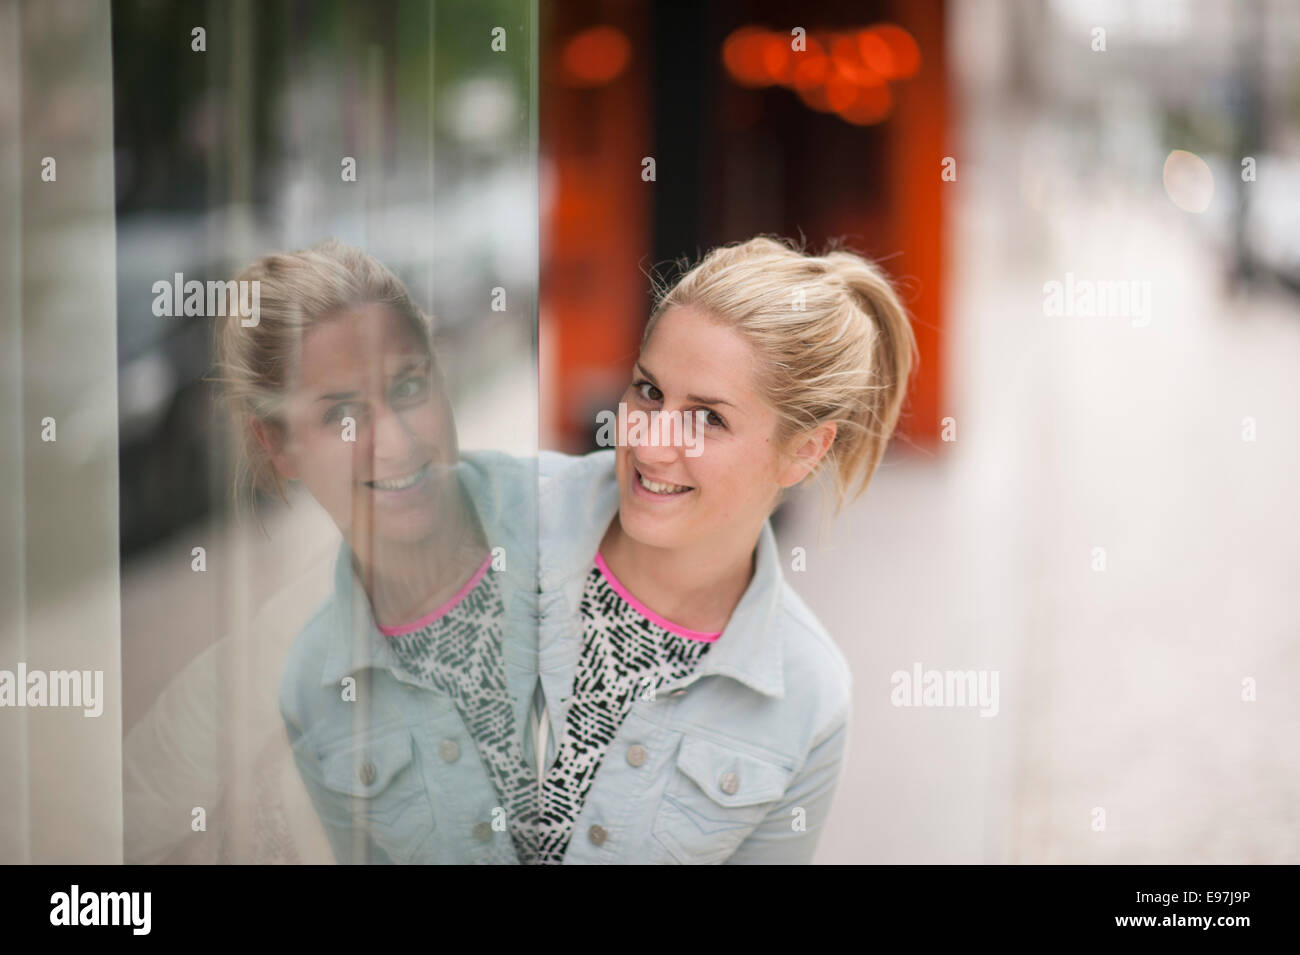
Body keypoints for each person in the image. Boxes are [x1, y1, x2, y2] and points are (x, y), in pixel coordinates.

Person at [531, 235, 917, 863]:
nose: (651, 445)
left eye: (708, 418)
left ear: (804, 452)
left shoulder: (808, 699)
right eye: (649, 392)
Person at [213, 239, 540, 864]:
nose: (395, 442)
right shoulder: (315, 690)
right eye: (342, 415)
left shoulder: (574, 525)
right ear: (278, 444)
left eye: (410, 385)